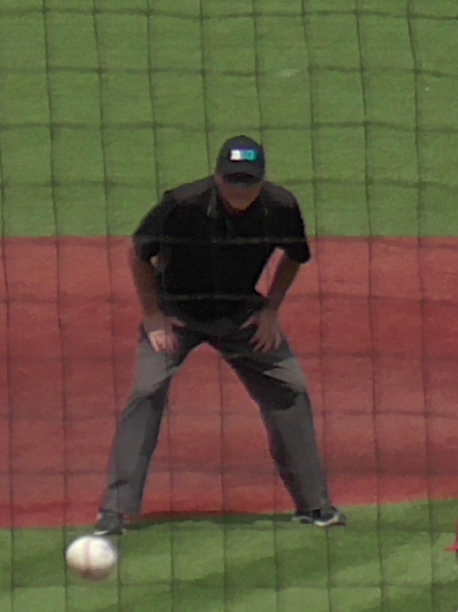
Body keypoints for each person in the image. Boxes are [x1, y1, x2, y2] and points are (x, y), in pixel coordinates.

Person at [93, 135, 342, 537]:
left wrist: (271, 309)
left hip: (240, 312)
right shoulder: (182, 204)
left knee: (290, 386)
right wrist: (153, 315)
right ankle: (114, 511)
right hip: (176, 312)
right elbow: (139, 254)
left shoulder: (280, 207)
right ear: (218, 177)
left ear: (261, 180)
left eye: (248, 182)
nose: (240, 190)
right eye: (233, 180)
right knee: (147, 388)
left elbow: (295, 255)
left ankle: (315, 506)